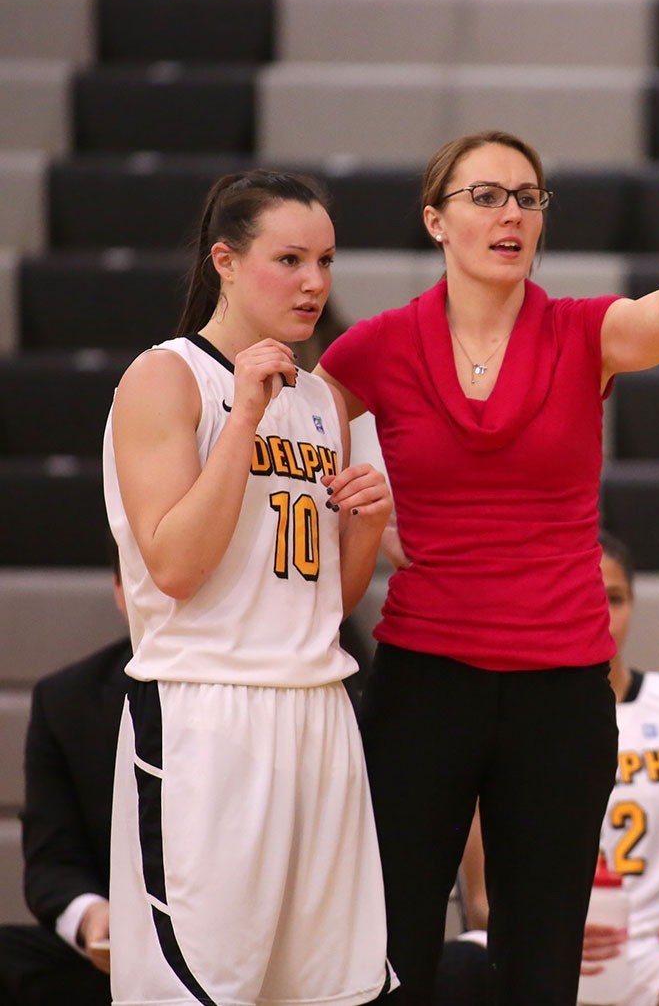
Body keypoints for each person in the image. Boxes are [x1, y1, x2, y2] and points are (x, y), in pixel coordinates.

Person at [313, 129, 659, 1005]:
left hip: (560, 691)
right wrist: (376, 519)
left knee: (541, 957)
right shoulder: (374, 348)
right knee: (390, 945)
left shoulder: (582, 332)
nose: (511, 213)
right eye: (485, 196)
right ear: (435, 220)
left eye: (527, 196)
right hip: (423, 684)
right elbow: (297, 447)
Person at [102, 170, 395, 1006]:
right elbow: (178, 565)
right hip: (207, 714)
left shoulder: (328, 403)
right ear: (225, 262)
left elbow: (323, 607)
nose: (314, 283)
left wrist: (367, 528)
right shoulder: (166, 377)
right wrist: (242, 418)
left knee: (323, 990)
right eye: (290, 259)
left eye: (327, 261)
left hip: (318, 712)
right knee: (201, 989)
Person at [442, 531, 659, 1006]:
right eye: (583, 597)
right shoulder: (497, 714)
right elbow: (481, 902)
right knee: (461, 965)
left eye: (614, 599)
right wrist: (549, 929)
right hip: (535, 939)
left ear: (633, 603)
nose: (600, 616)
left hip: (658, 952)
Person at [0, 564, 127, 1006]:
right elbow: (52, 861)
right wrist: (94, 915)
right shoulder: (69, 699)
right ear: (120, 590)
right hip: (123, 956)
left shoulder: (291, 697)